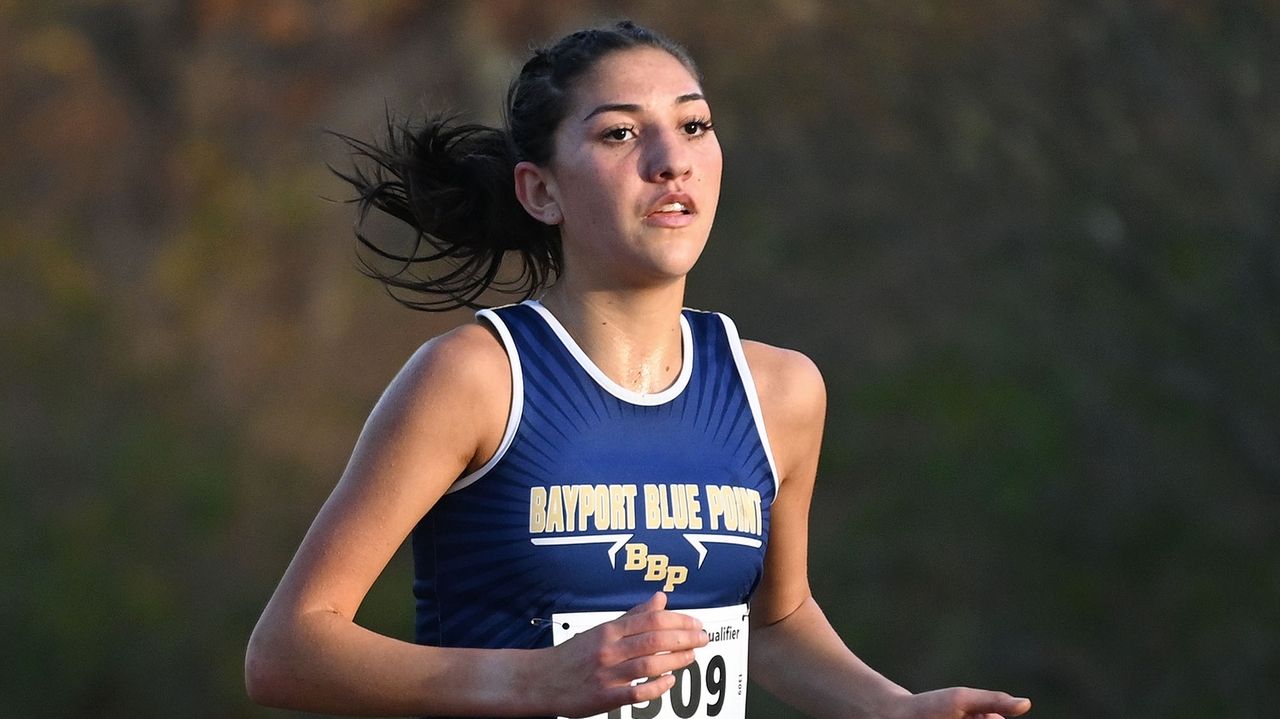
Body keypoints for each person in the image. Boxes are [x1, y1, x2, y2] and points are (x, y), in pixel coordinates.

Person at [245, 20, 1032, 719]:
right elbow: (287, 652)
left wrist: (893, 707)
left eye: (694, 126)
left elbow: (773, 621)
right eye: (621, 134)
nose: (671, 162)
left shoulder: (781, 392)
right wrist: (535, 682)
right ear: (540, 190)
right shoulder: (476, 380)